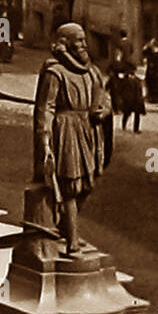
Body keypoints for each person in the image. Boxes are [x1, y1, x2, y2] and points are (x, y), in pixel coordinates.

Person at [33, 22, 111, 255]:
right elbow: (45, 108)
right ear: (66, 43)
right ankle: (73, 241)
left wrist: (103, 111)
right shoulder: (54, 72)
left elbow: (105, 99)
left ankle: (65, 226)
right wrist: (45, 139)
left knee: (88, 183)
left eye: (85, 40)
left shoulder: (92, 71)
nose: (84, 45)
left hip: (89, 129)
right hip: (66, 130)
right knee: (71, 185)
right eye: (79, 41)